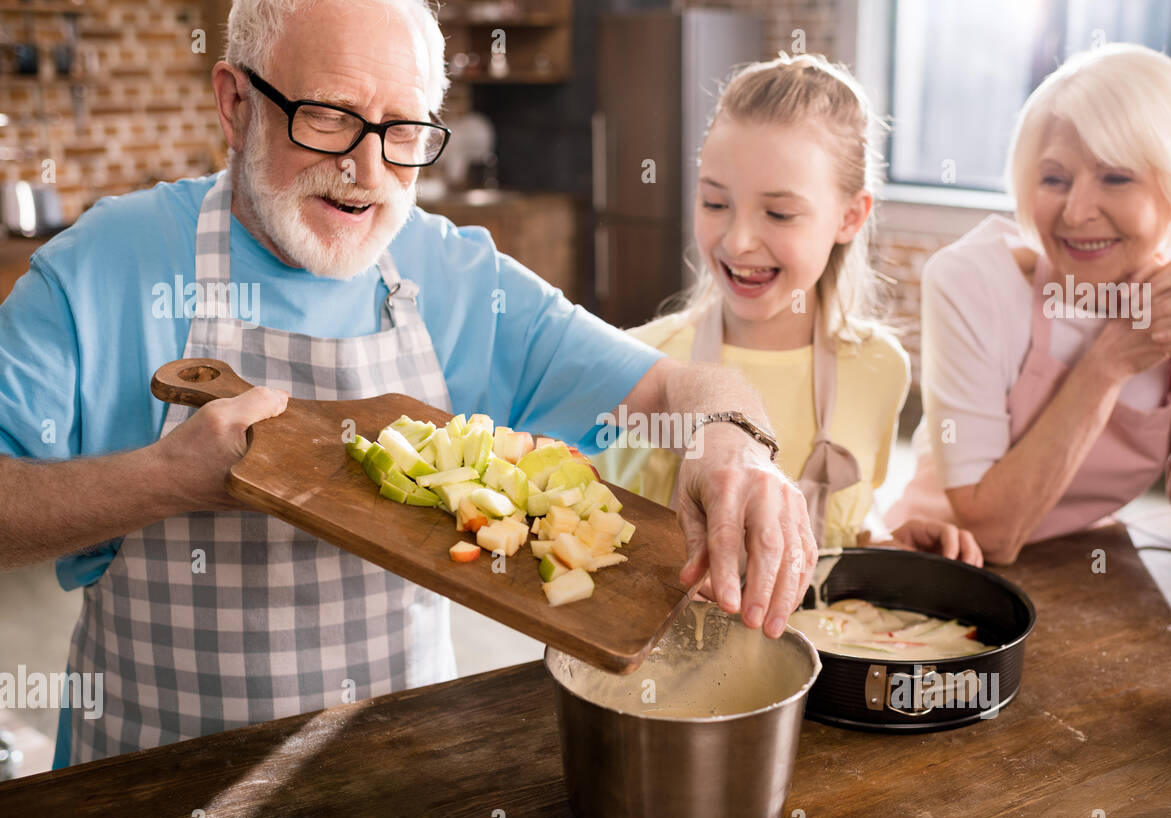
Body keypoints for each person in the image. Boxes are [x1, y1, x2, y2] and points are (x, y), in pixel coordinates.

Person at [0, 0, 816, 767]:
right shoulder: (104, 265)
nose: (366, 169)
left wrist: (735, 449)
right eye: (328, 116)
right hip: (145, 782)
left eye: (403, 130)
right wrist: (161, 482)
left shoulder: (457, 277)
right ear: (235, 102)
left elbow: (688, 388)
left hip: (399, 781)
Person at [594, 53, 981, 565]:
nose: (738, 240)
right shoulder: (641, 361)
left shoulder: (879, 367)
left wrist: (885, 543)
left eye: (778, 213)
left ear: (849, 216)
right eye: (715, 203)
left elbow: (844, 521)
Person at [886, 44, 1171, 563]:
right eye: (1054, 180)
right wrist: (1110, 361)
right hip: (946, 566)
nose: (1076, 211)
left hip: (1085, 561)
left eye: (1115, 177)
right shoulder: (973, 281)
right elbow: (992, 534)